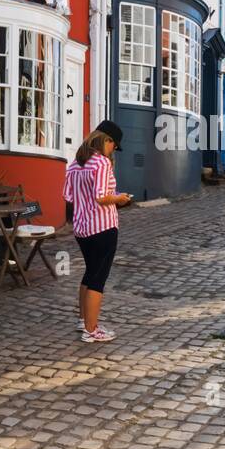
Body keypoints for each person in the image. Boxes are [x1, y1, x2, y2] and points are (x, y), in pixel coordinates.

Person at [63, 128, 133, 343]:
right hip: (102, 226)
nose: (113, 150)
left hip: (81, 227)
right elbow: (102, 197)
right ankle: (91, 330)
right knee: (98, 278)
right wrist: (120, 198)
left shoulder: (75, 163)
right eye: (114, 145)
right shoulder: (101, 163)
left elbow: (67, 195)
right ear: (106, 140)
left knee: (90, 272)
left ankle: (83, 320)